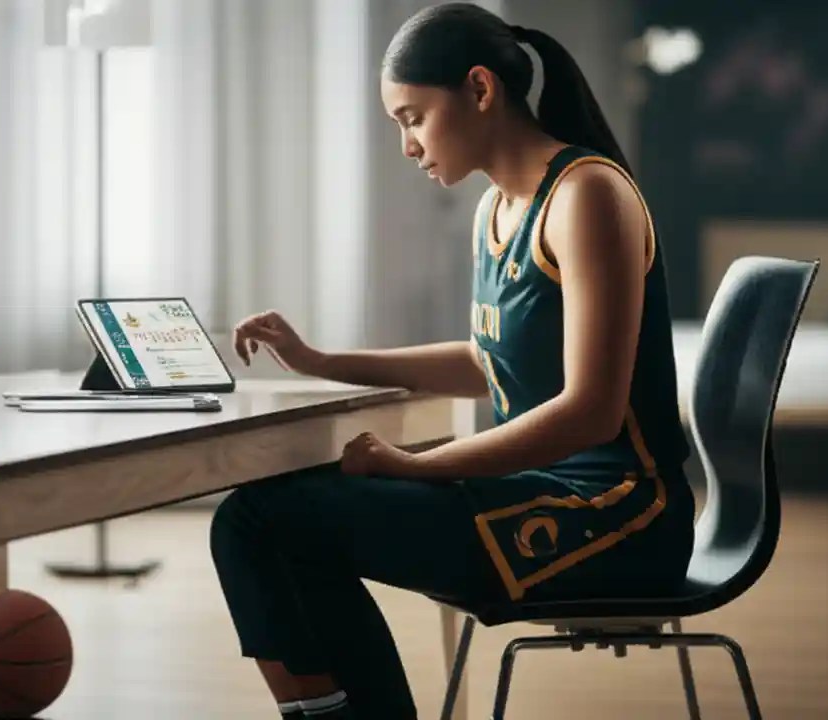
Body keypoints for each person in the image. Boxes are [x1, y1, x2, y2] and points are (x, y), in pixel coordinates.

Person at [209, 4, 695, 718]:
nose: (407, 145)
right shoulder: (496, 209)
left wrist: (419, 465)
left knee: (261, 522)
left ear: (479, 89)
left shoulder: (587, 194)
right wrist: (319, 358)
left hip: (618, 516)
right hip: (540, 492)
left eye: (412, 117)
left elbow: (592, 409)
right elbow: (487, 361)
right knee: (265, 516)